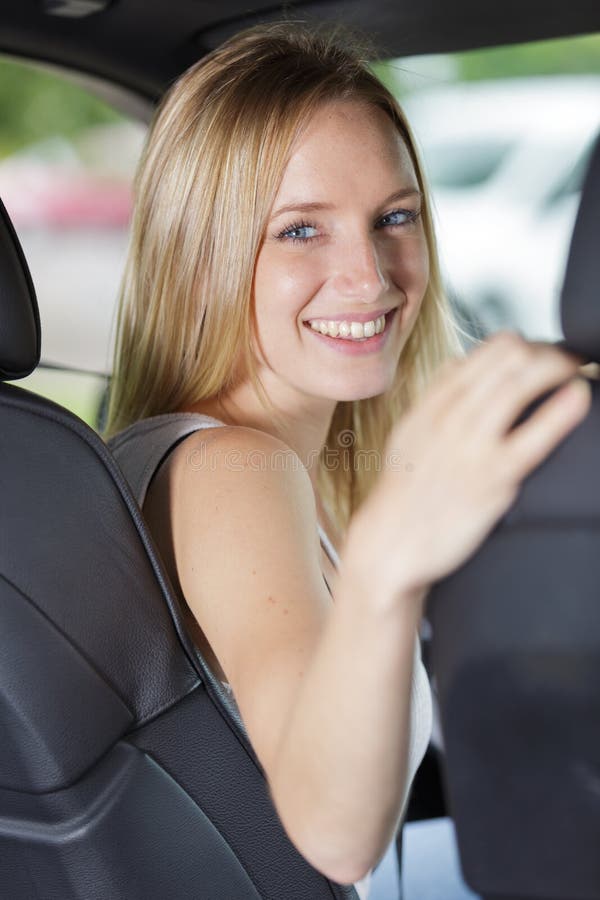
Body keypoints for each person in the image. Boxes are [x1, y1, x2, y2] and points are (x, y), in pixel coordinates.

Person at [104, 23, 591, 899]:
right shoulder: (230, 472)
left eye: (394, 217)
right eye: (300, 230)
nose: (369, 277)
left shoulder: (285, 460)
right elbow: (335, 836)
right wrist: (387, 565)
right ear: (200, 254)